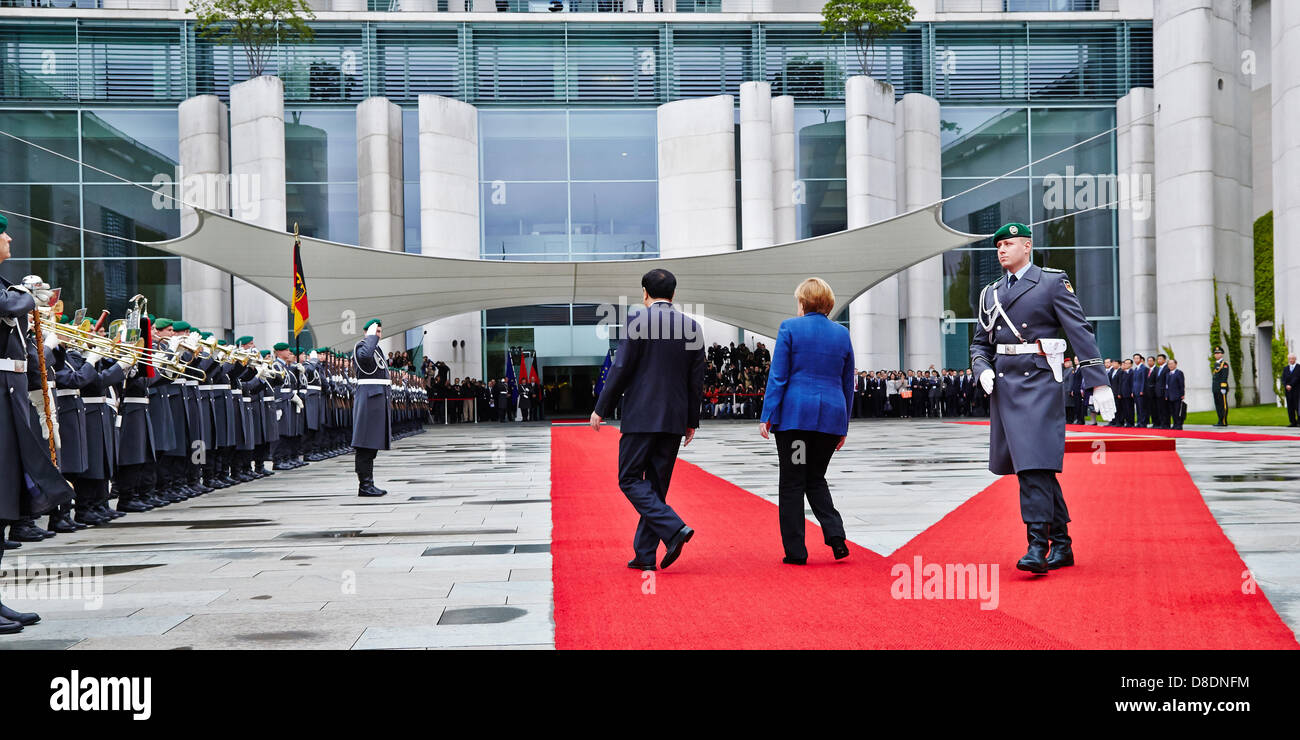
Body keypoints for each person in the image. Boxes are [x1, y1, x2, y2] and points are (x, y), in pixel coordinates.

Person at [970, 222, 1114, 575]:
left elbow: (1079, 330)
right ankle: (1061, 545)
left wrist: (1098, 381)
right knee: (1037, 469)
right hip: (1005, 387)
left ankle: (1037, 545)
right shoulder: (990, 293)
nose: (1002, 250)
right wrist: (981, 368)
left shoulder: (1051, 282)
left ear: (1028, 246)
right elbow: (979, 343)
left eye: (1009, 243)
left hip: (1038, 384)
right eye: (998, 244)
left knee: (1032, 465)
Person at [590, 268, 703, 571]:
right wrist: (692, 419)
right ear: (674, 294)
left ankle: (674, 527)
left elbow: (621, 368)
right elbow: (696, 380)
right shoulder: (692, 326)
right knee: (655, 484)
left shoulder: (637, 322)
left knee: (628, 479)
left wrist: (601, 407)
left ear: (644, 293)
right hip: (674, 419)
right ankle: (644, 554)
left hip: (641, 415)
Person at [758, 278, 853, 565]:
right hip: (829, 420)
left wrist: (767, 414)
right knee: (815, 477)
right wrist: (844, 425)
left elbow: (778, 376)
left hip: (797, 421)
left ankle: (796, 551)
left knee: (792, 481)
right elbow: (848, 382)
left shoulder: (790, 328)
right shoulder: (842, 333)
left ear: (802, 302)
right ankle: (835, 536)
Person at [353, 319, 391, 497]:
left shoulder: (376, 349)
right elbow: (365, 357)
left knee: (372, 445)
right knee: (365, 444)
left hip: (376, 400)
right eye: (375, 332)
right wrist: (370, 336)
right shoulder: (362, 347)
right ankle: (364, 485)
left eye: (379, 332)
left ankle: (369, 483)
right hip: (369, 400)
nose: (378, 335)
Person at [1164, 359, 1186, 429]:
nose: (1170, 365)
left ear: (1175, 364)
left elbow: (1181, 385)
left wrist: (1182, 394)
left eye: (1172, 364)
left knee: (1177, 411)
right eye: (1169, 364)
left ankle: (1178, 425)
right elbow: (1166, 386)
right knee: (1172, 412)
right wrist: (1166, 395)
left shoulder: (1179, 373)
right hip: (1170, 396)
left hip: (1177, 395)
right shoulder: (1167, 374)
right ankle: (1174, 424)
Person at [1212, 346, 1230, 427]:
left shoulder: (1224, 364)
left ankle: (1223, 421)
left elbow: (1224, 376)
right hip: (1215, 388)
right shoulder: (1216, 364)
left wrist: (1223, 387)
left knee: (1223, 404)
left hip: (1221, 388)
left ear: (1222, 354)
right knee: (1217, 405)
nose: (1217, 354)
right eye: (1215, 353)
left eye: (1218, 353)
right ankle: (1219, 420)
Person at [1284, 354, 1299, 428]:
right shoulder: (1286, 368)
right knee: (1290, 407)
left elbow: (1297, 378)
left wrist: (1291, 385)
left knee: (1298, 406)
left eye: (1292, 359)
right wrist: (1286, 385)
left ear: (1295, 359)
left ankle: (1299, 421)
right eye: (1289, 359)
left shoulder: (1299, 368)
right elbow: (1283, 378)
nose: (1291, 360)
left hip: (1297, 391)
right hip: (1288, 391)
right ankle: (1293, 422)